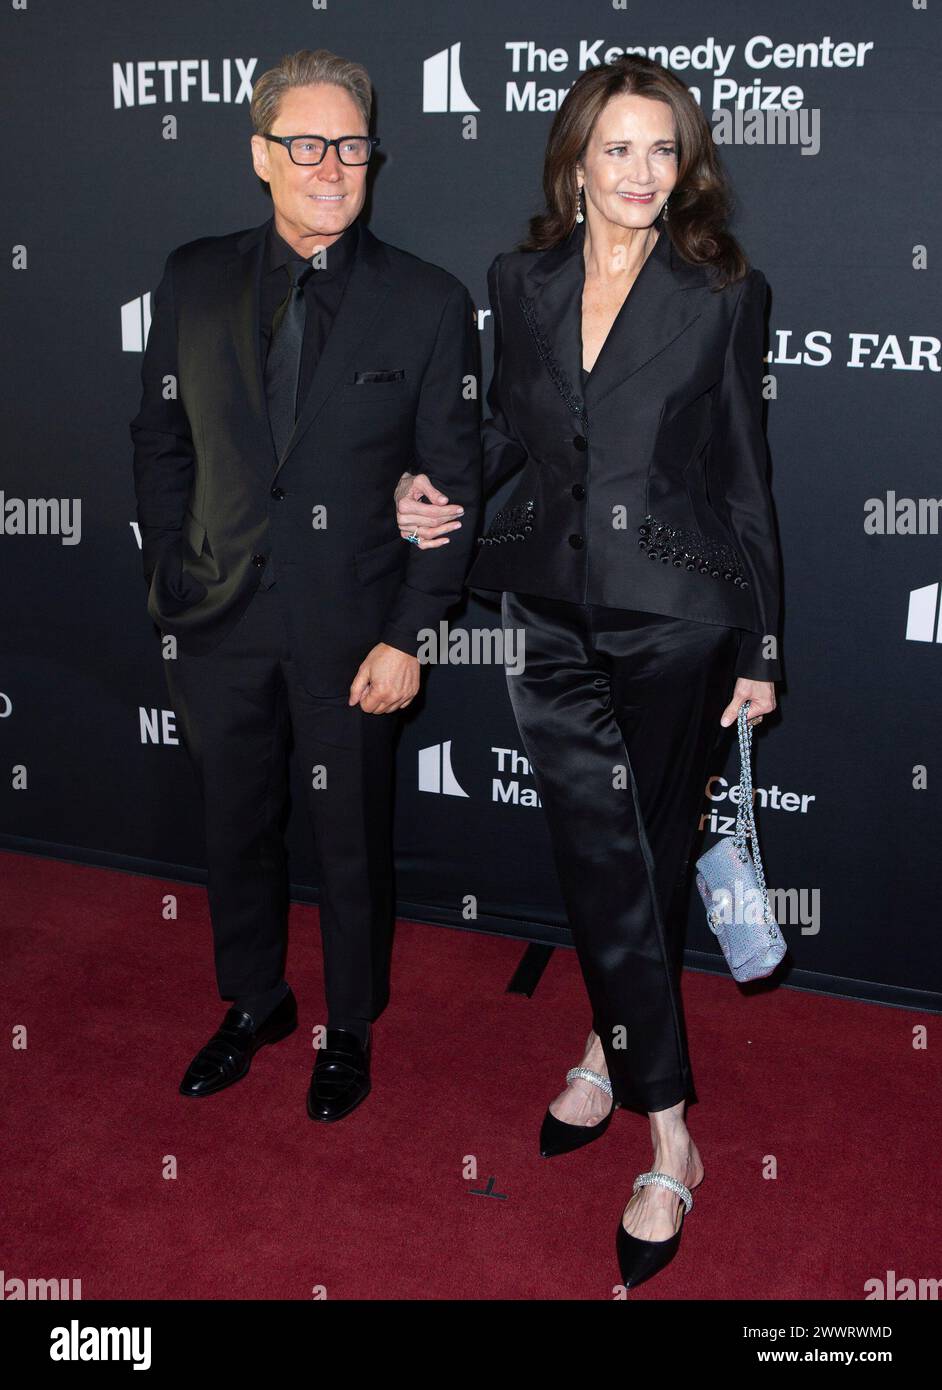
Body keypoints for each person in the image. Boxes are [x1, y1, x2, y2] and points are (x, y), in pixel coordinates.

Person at [394, 55, 783, 1288]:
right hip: (548, 609)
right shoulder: (521, 279)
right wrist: (438, 493)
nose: (639, 174)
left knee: (648, 854)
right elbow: (510, 425)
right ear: (574, 162)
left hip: (676, 617)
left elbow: (742, 472)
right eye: (616, 149)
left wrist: (764, 644)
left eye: (662, 150)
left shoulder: (722, 292)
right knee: (598, 851)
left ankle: (665, 1125)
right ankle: (622, 1057)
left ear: (687, 164)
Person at [130, 48, 481, 1122]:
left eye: (351, 144)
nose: (331, 164)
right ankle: (253, 1003)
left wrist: (409, 633)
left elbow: (452, 485)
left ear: (374, 153)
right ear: (259, 155)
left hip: (355, 634)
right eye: (305, 143)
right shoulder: (192, 275)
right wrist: (173, 570)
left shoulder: (427, 301)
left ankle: (350, 1027)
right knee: (235, 823)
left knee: (349, 842)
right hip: (220, 617)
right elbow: (160, 437)